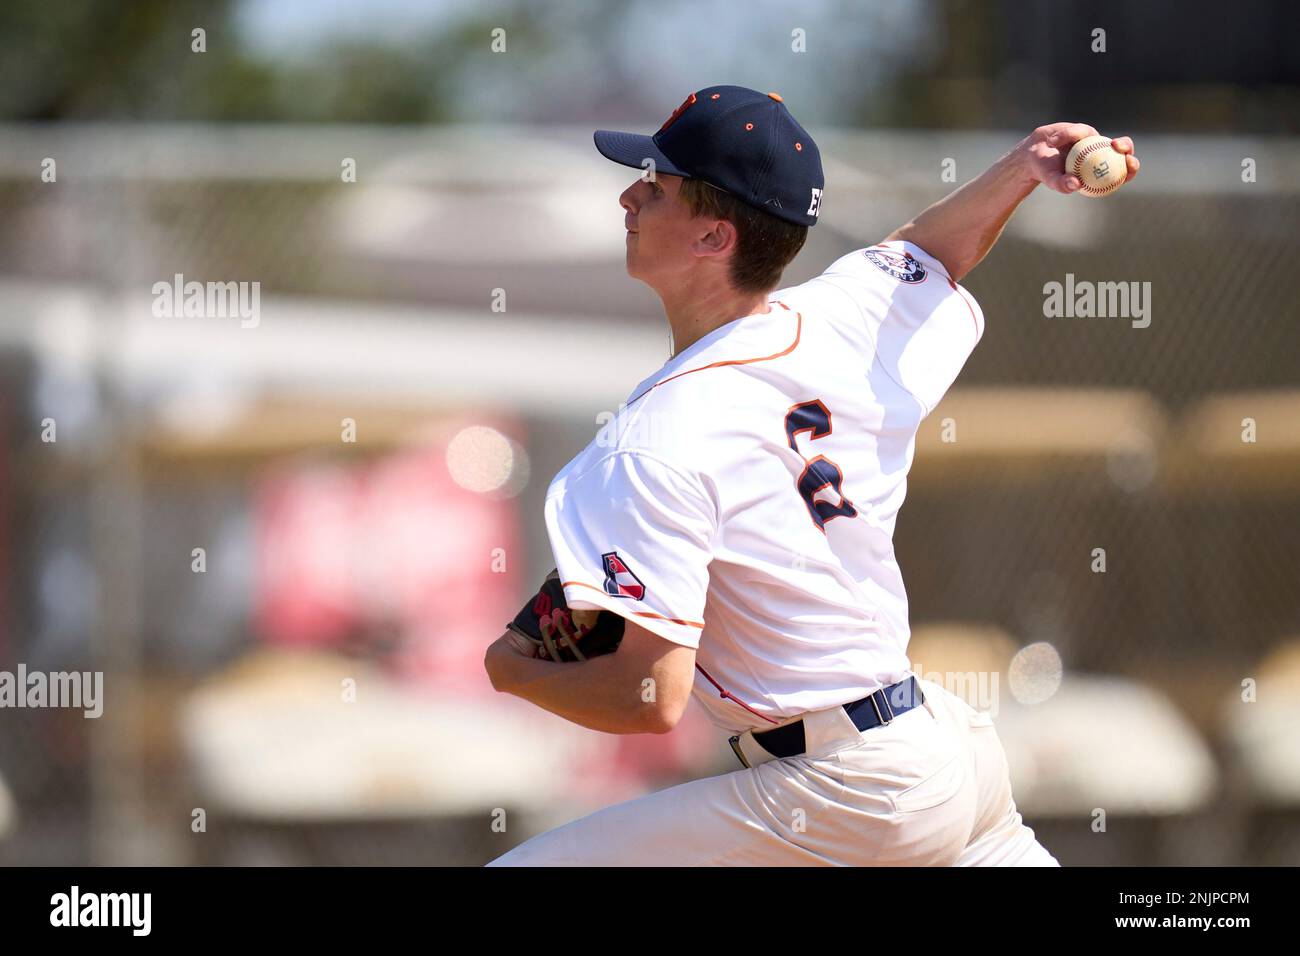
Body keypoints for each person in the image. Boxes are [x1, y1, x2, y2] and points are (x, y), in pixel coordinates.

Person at [483, 85, 1139, 865]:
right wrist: (1024, 167)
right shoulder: (839, 319)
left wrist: (510, 673)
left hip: (839, 795)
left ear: (713, 236)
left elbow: (649, 697)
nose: (629, 194)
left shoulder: (651, 440)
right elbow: (932, 254)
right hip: (942, 755)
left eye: (655, 186)